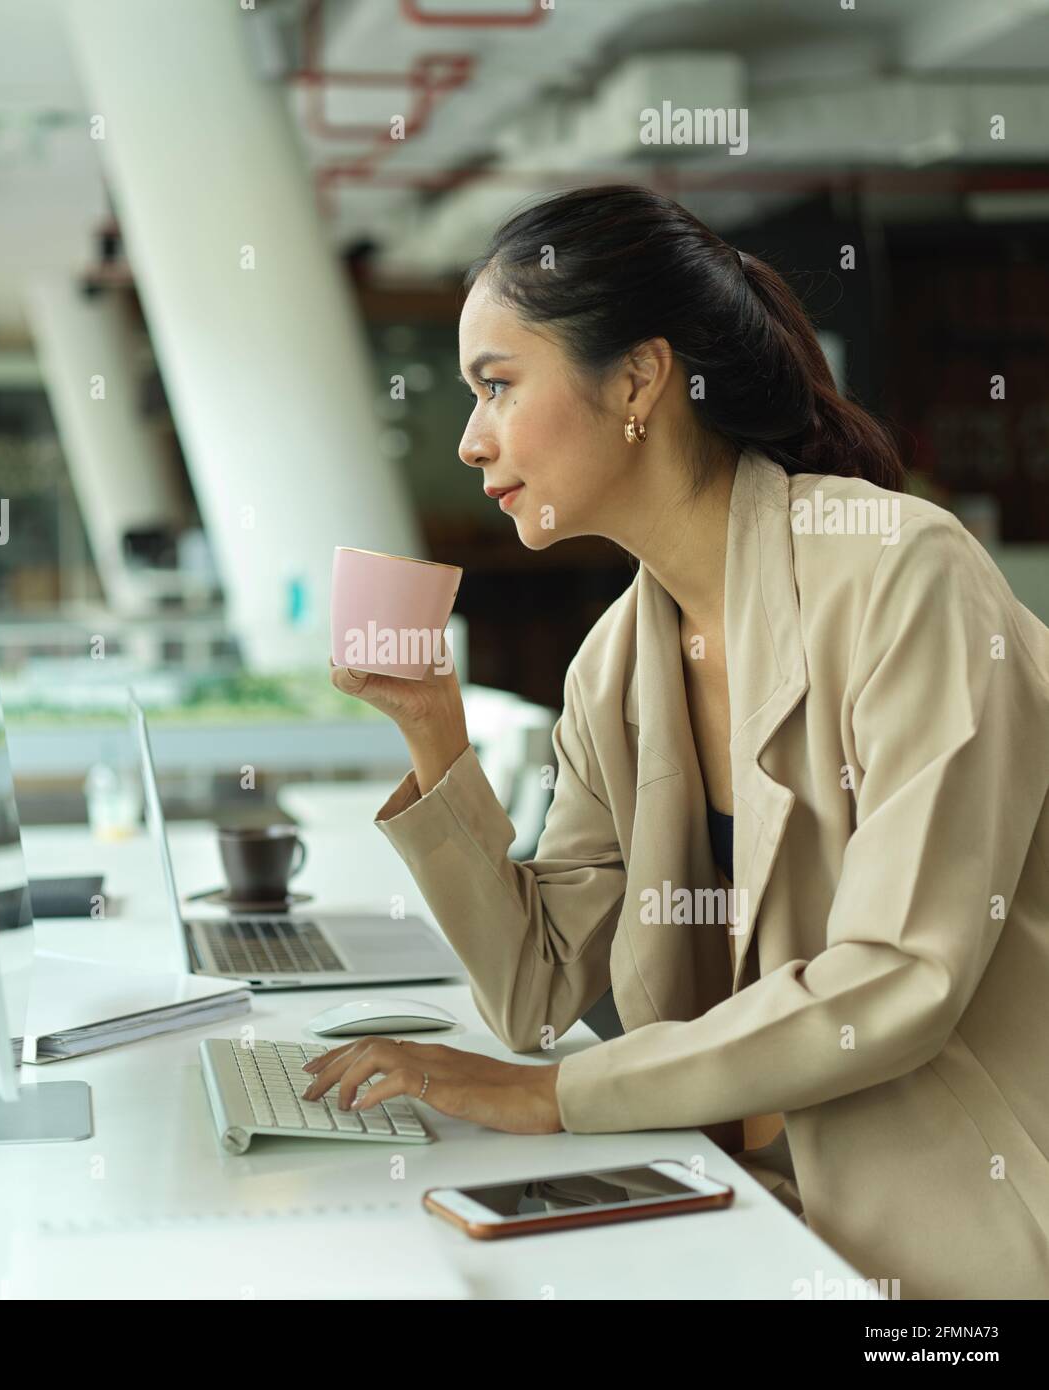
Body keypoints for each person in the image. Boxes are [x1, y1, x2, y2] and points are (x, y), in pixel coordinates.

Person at [303, 184, 1049, 1299]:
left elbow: (900, 977)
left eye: (498, 385)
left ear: (640, 380)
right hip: (751, 1208)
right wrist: (435, 742)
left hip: (969, 1238)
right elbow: (538, 990)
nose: (470, 439)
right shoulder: (614, 666)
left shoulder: (904, 576)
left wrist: (556, 1095)